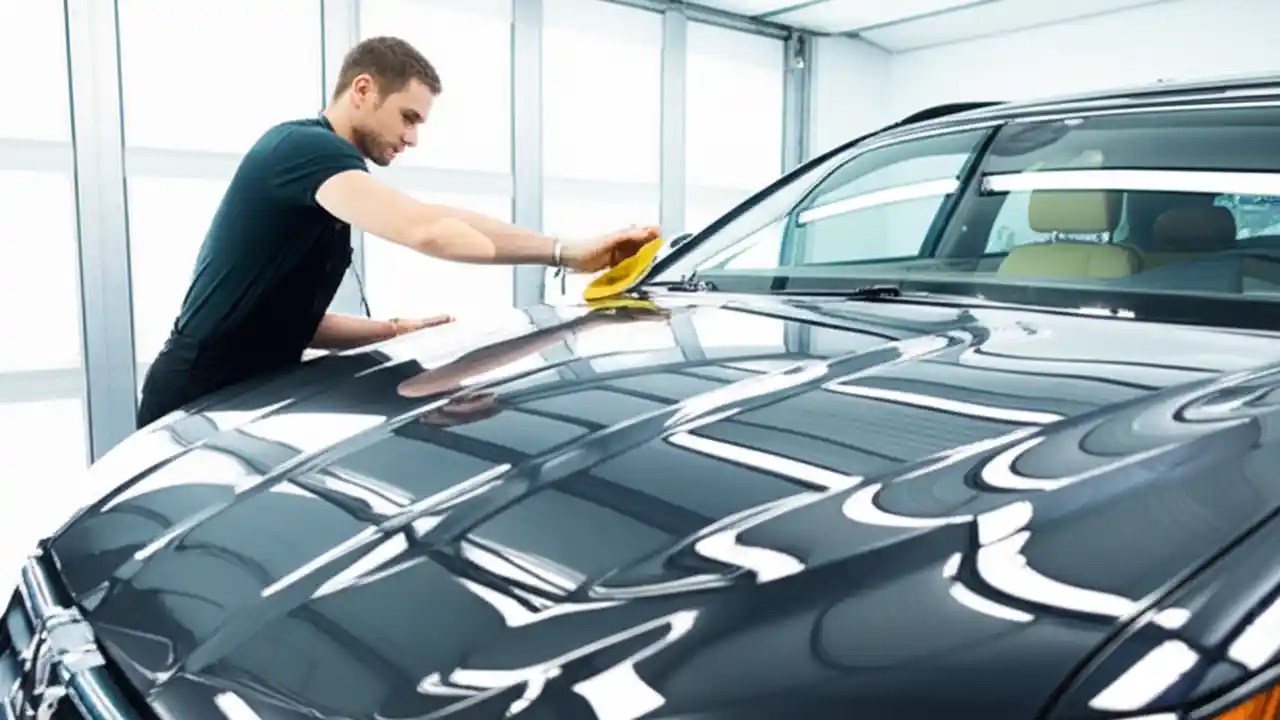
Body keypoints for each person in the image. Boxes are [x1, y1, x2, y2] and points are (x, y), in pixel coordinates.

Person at [135, 36, 660, 428]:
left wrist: (393, 332)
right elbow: (427, 229)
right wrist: (565, 252)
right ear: (363, 90)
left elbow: (288, 320)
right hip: (194, 395)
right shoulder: (306, 150)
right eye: (408, 117)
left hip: (246, 392)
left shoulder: (319, 174)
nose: (411, 138)